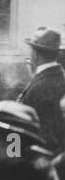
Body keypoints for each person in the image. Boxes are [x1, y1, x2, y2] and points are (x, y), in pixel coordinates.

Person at [17, 27, 65, 155]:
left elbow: (41, 133)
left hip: (36, 165)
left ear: (35, 54)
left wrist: (12, 156)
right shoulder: (58, 78)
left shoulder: (40, 86)